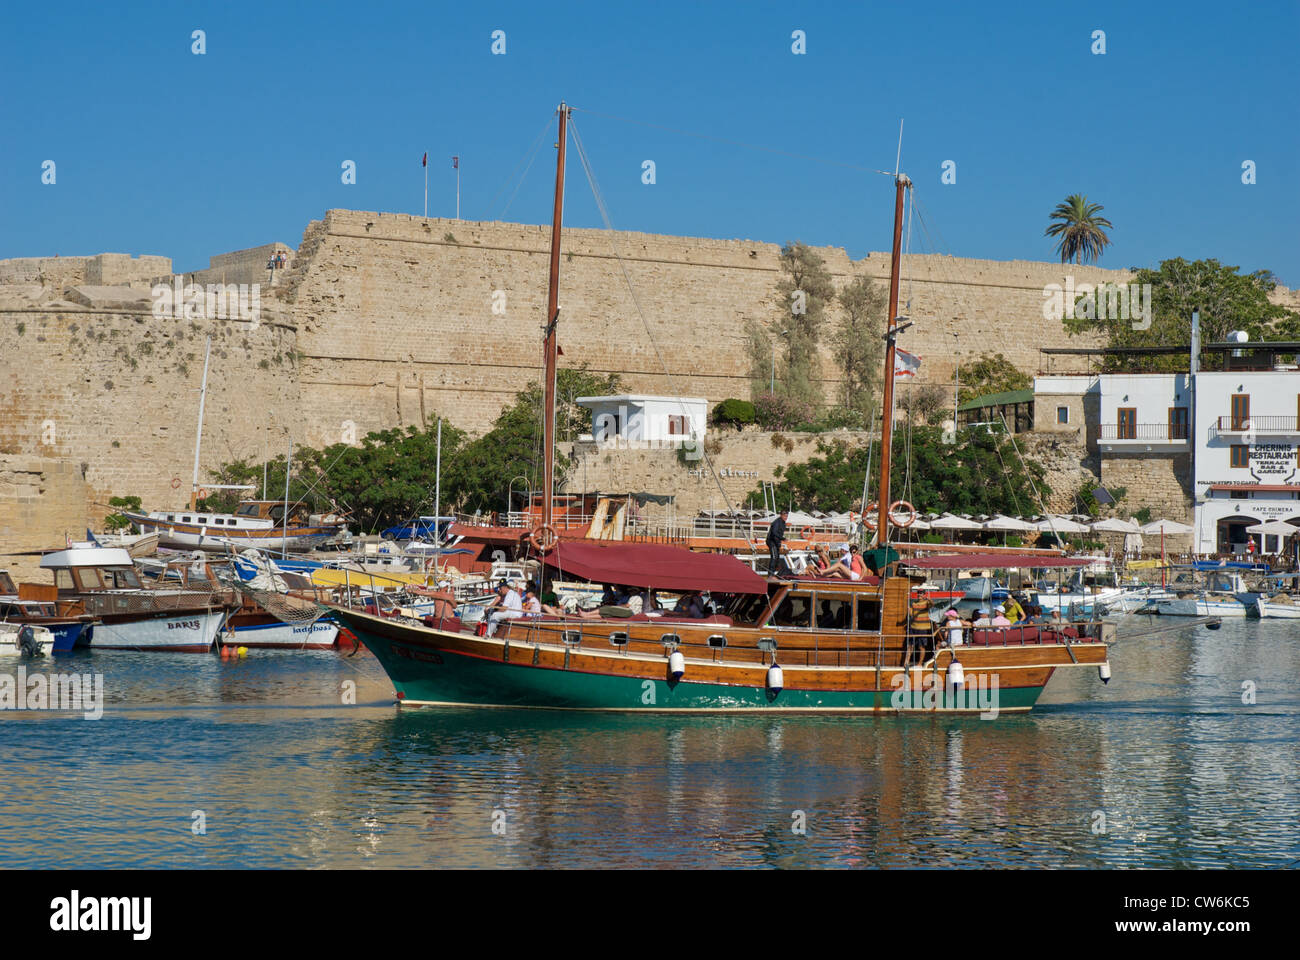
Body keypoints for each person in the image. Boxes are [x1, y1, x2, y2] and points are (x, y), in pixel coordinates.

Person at [766, 509, 789, 577]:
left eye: (787, 516)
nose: (786, 518)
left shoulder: (783, 523)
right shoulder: (777, 522)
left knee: (777, 558)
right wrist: (782, 538)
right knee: (774, 557)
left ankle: (774, 573)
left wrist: (779, 542)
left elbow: (780, 533)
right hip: (771, 541)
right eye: (784, 516)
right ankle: (770, 574)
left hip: (776, 541)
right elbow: (774, 533)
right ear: (781, 515)